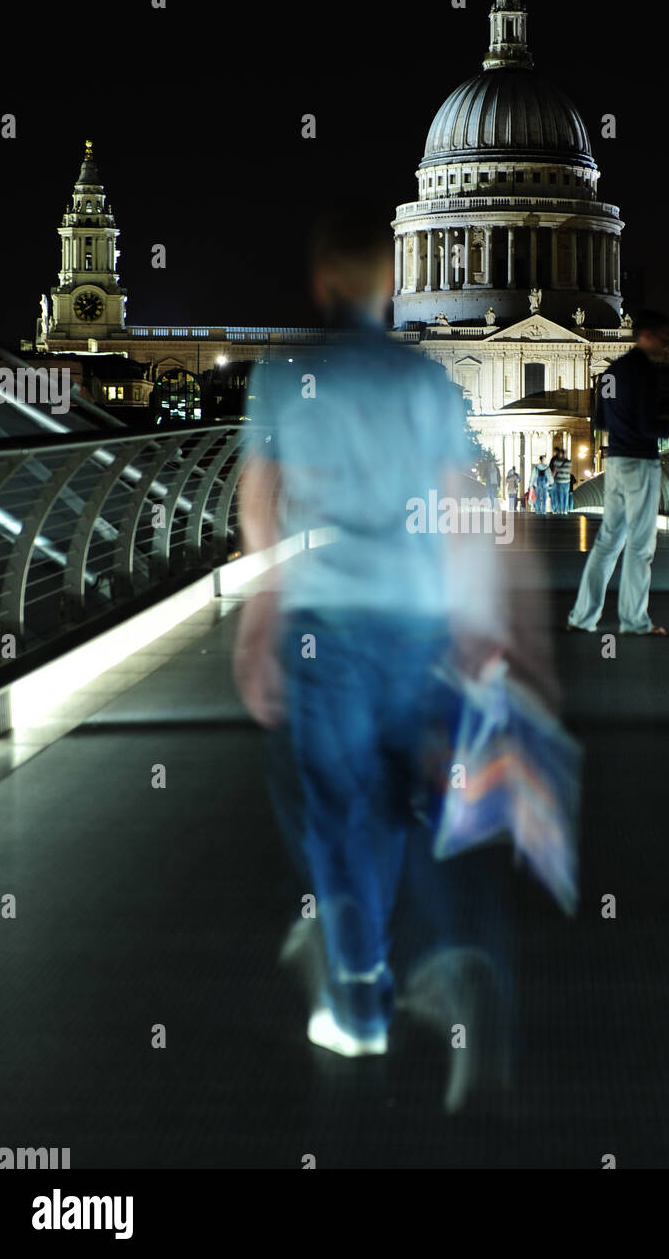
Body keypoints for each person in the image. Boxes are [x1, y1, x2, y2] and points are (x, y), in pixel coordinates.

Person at [233, 210, 505, 1060]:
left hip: (326, 620)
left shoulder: (284, 377)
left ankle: (359, 988)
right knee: (390, 797)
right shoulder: (429, 382)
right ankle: (404, 954)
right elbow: (463, 504)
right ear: (394, 281)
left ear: (322, 285)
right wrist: (474, 617)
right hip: (417, 618)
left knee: (333, 800)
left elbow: (258, 502)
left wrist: (257, 618)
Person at [566, 310, 669, 635]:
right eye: (662, 336)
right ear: (647, 335)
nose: (665, 343)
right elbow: (646, 424)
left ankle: (582, 617)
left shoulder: (612, 372)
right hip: (640, 461)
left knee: (608, 541)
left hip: (614, 461)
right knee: (641, 544)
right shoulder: (644, 373)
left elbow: (600, 420)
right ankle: (634, 620)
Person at [550, 447, 572, 514]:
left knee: (560, 495)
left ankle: (560, 510)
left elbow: (554, 471)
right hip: (567, 480)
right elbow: (569, 471)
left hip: (559, 480)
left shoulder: (557, 461)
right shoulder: (569, 462)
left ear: (560, 453)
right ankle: (565, 510)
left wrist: (551, 480)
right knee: (566, 495)